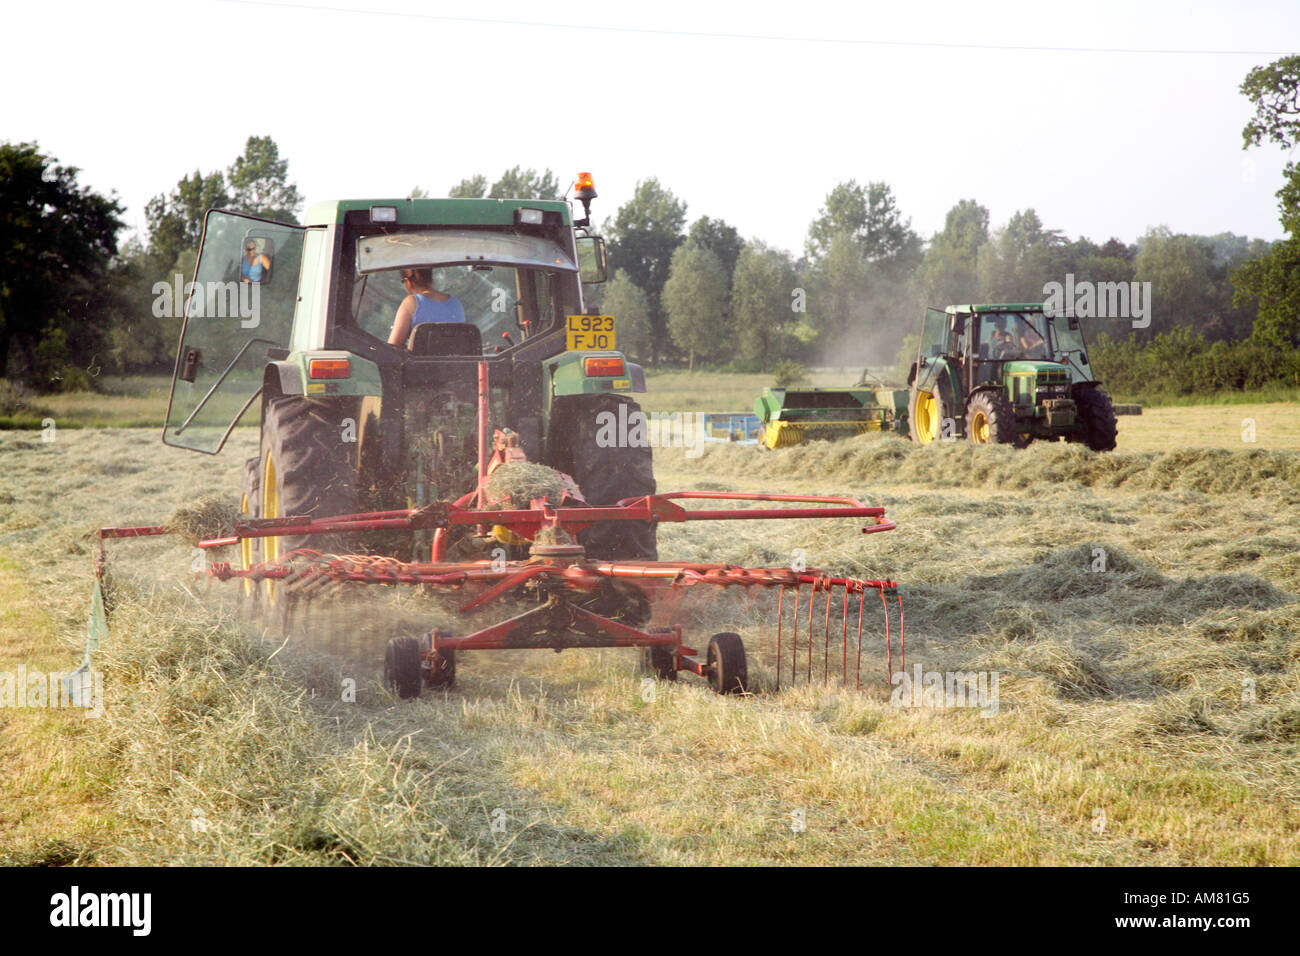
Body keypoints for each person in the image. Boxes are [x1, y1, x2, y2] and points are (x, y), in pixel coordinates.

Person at [387, 268, 467, 347]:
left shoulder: (411, 302)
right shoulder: (455, 302)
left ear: (408, 282)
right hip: (453, 360)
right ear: (430, 277)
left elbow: (393, 347)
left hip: (419, 360)